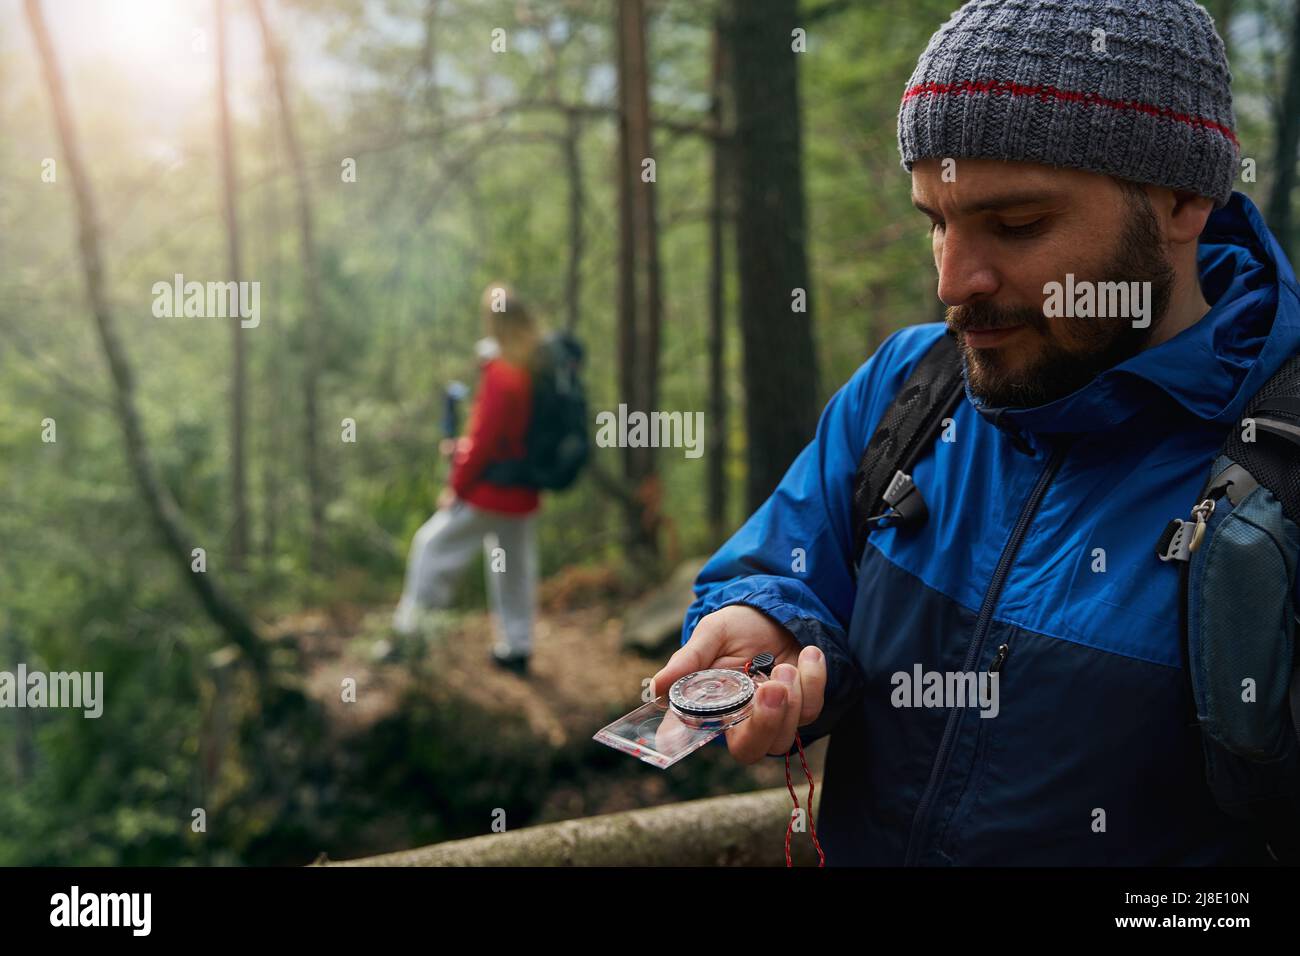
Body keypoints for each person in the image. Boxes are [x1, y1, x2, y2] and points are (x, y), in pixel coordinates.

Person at [653, 0, 1300, 864]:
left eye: (1018, 224)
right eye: (936, 222)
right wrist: (771, 626)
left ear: (1183, 199)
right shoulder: (913, 385)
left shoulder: (1282, 464)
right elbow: (786, 565)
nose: (955, 282)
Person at [392, 282, 540, 675]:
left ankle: (411, 636)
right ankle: (517, 648)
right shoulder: (531, 366)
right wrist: (465, 448)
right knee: (512, 569)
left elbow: (487, 438)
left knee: (430, 547)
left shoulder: (501, 372)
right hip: (523, 488)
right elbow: (509, 436)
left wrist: (456, 483)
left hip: (492, 489)